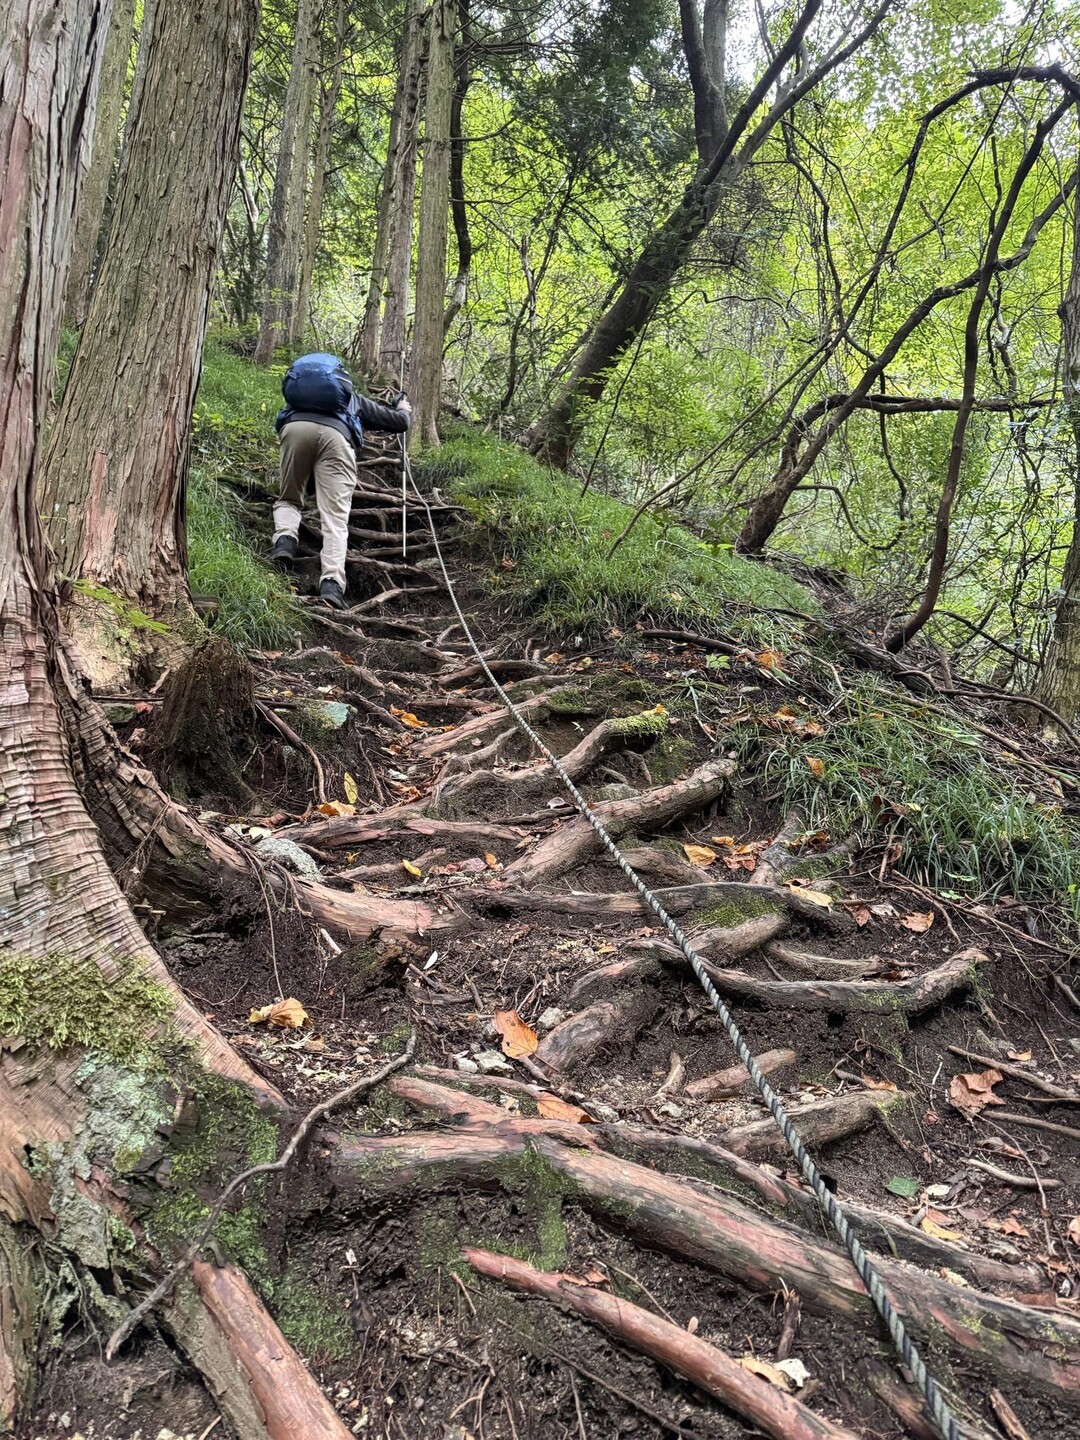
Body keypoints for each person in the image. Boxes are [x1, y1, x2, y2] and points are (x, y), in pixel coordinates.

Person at [269, 352, 411, 609]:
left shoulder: (299, 399)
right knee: (335, 517)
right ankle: (331, 584)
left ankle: (285, 542)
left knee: (289, 497)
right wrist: (403, 407)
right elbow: (400, 423)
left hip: (295, 428)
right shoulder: (353, 400)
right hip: (337, 438)